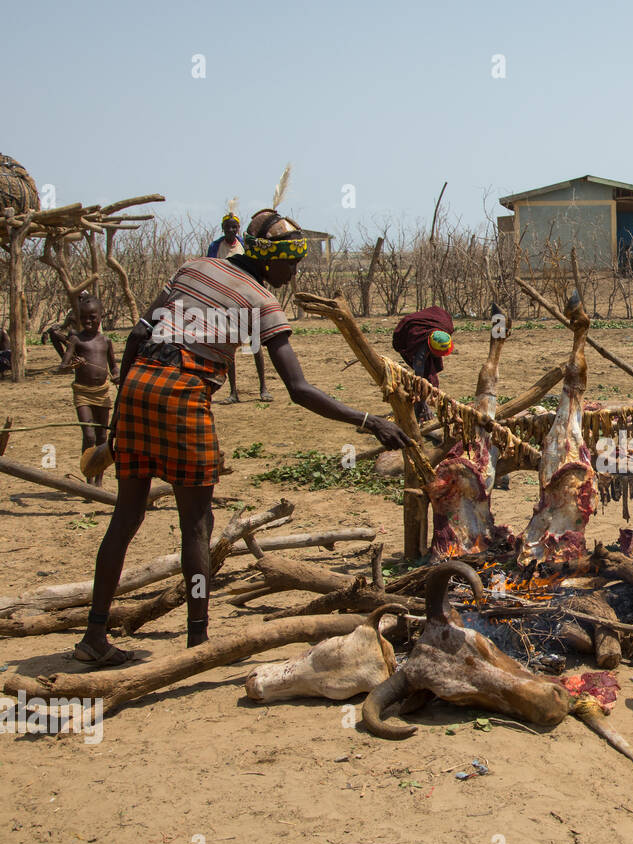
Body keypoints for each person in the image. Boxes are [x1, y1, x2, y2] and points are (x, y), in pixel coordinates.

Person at [72, 208, 412, 666]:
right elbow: (299, 389)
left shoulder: (193, 267)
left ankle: (94, 636)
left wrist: (116, 426)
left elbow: (137, 335)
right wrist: (369, 421)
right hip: (183, 392)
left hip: (137, 386)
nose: (295, 273)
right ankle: (198, 642)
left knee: (126, 517)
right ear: (269, 261)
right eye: (291, 264)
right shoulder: (260, 302)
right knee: (197, 523)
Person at [207, 209, 272, 404]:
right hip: (224, 299)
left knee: (254, 344)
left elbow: (255, 267)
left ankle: (263, 388)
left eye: (234, 227)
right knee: (230, 346)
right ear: (222, 228)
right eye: (228, 227)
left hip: (245, 297)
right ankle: (233, 392)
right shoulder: (215, 246)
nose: (231, 230)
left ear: (238, 228)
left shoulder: (243, 245)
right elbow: (210, 269)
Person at [55, 295, 118, 488]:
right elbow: (62, 367)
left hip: (102, 392)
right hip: (82, 393)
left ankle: (98, 481)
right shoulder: (76, 340)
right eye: (84, 317)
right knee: (89, 435)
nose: (88, 321)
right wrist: (73, 364)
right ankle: (88, 478)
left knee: (101, 437)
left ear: (101, 316)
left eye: (92, 317)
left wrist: (117, 376)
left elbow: (113, 367)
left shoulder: (106, 341)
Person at [391, 306, 456, 422]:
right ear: (430, 349)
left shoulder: (445, 329)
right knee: (424, 377)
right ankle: (418, 409)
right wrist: (422, 404)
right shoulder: (420, 351)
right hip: (408, 335)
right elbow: (419, 379)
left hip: (430, 331)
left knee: (429, 372)